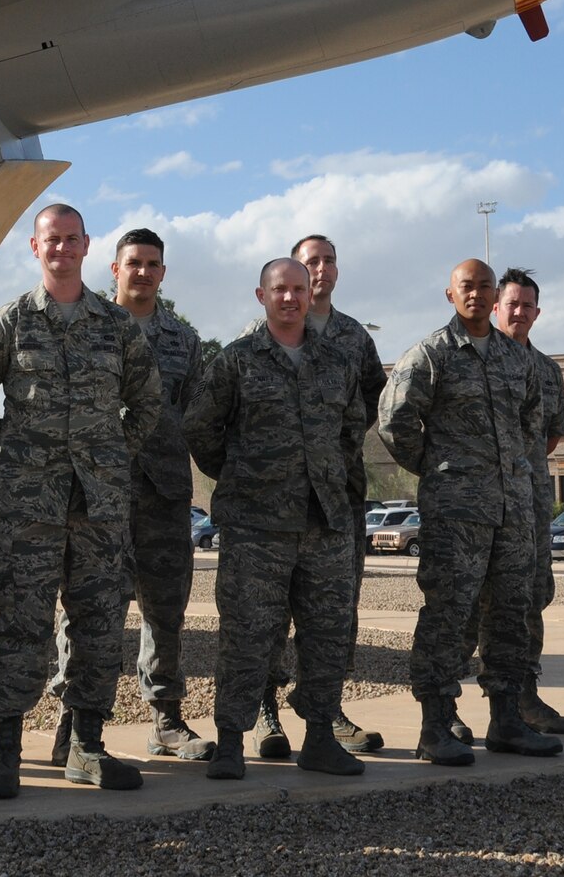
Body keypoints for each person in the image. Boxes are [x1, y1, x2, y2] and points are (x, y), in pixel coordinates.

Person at [0, 203, 164, 799]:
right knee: (20, 622)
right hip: (30, 509)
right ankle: (7, 752)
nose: (63, 249)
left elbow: (148, 401)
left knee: (99, 625)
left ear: (87, 246)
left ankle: (86, 747)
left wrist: (110, 455)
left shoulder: (116, 325)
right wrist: (12, 456)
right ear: (35, 246)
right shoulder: (12, 320)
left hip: (99, 508)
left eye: (72, 239)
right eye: (53, 239)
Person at [186, 258, 364, 780]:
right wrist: (242, 475)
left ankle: (320, 737)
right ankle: (230, 741)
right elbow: (200, 428)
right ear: (261, 296)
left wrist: (326, 474)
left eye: (298, 289)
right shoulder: (236, 361)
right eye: (279, 289)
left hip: (325, 523)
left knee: (327, 634)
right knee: (247, 635)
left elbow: (352, 428)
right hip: (256, 526)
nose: (290, 298)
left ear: (310, 294)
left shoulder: (338, 361)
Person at [377, 258, 560, 766]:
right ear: (450, 294)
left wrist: (513, 474)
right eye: (467, 287)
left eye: (484, 286)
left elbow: (531, 422)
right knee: (448, 615)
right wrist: (440, 469)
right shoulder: (430, 355)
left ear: (493, 294)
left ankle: (507, 720)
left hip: (513, 512)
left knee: (510, 613)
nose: (476, 294)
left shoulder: (517, 359)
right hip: (456, 513)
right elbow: (394, 422)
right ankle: (435, 725)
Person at [44, 228, 207, 765]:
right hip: (95, 496)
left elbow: (199, 416)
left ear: (163, 273)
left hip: (162, 496)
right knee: (88, 608)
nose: (143, 272)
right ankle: (74, 718)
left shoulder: (184, 341)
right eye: (133, 262)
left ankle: (166, 718)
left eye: (152, 264)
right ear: (114, 269)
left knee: (166, 610)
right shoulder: (89, 327)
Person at [253, 234, 389, 758]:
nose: (321, 269)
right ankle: (265, 710)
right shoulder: (260, 335)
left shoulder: (354, 337)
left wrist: (334, 451)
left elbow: (371, 402)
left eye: (329, 260)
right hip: (275, 503)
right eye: (312, 261)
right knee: (269, 610)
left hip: (337, 498)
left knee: (335, 610)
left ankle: (326, 708)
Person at [479, 267, 564, 735]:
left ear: (538, 313)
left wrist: (524, 470)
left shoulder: (548, 371)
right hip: (479, 503)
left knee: (531, 595)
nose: (519, 312)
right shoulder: (475, 359)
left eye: (527, 306)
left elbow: (551, 436)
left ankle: (524, 695)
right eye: (512, 304)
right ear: (496, 307)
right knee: (468, 601)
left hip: (531, 504)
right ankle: (444, 709)